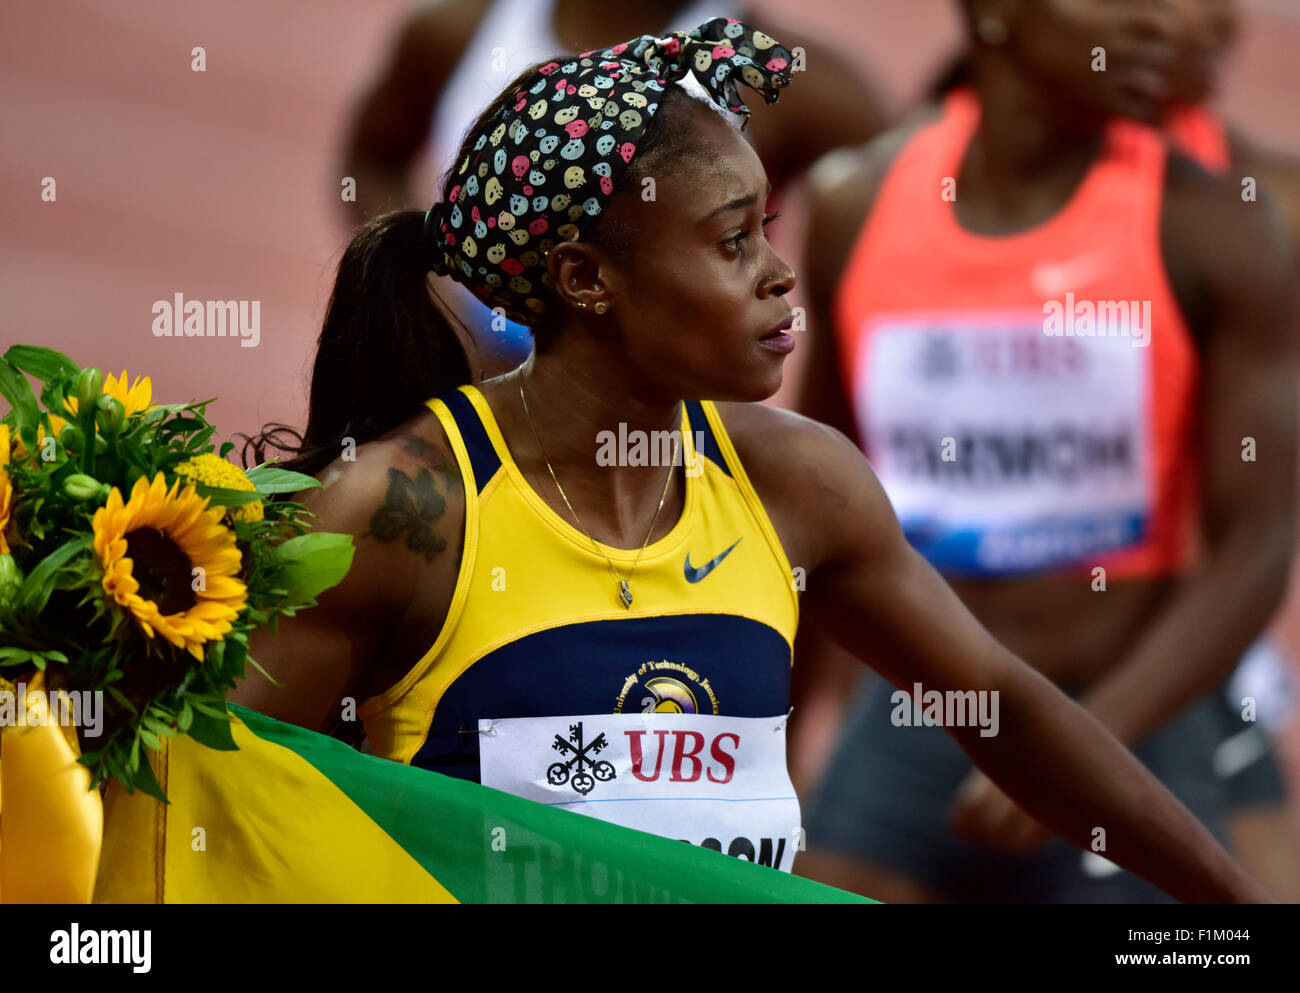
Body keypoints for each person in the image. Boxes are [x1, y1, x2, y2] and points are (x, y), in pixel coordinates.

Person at [234, 16, 1273, 901]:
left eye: (769, 230)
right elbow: (233, 801)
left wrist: (1231, 907)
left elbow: (1004, 710)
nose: (781, 279)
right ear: (585, 277)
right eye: (732, 242)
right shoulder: (401, 513)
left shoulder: (794, 485)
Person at [792, 0, 1296, 903]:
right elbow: (812, 501)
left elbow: (1259, 539)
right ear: (992, 14)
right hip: (922, 704)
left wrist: (1078, 747)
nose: (1162, 26)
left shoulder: (1218, 226)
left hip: (1128, 708)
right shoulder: (856, 206)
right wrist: (780, 742)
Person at [337, 0, 887, 377]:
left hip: (677, 397)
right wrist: (438, 282)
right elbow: (372, 157)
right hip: (473, 359)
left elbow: (898, 209)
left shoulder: (787, 78)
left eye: (750, 228)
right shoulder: (458, 31)